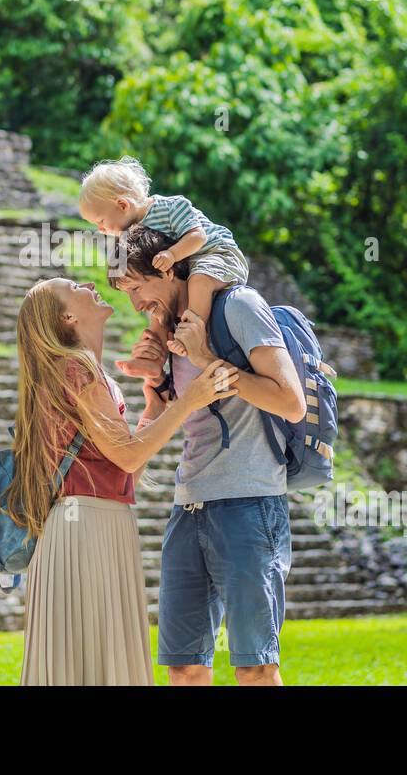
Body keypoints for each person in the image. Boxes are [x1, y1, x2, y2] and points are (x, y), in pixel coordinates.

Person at [12, 276, 238, 685]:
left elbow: (125, 464)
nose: (85, 283)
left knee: (82, 663)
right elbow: (130, 455)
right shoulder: (77, 369)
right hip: (89, 526)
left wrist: (153, 408)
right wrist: (190, 400)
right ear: (67, 316)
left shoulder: (79, 371)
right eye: (72, 286)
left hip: (89, 524)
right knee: (98, 662)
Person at [109, 225, 306, 686]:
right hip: (189, 505)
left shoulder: (238, 306)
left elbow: (290, 402)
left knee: (255, 667)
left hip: (249, 502)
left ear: (170, 268)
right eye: (126, 293)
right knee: (186, 667)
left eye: (138, 287)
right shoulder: (170, 331)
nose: (136, 304)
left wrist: (204, 356)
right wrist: (154, 386)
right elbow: (177, 412)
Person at [78, 156, 249, 369]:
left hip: (217, 252)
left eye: (101, 222)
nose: (101, 230)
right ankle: (152, 360)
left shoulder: (170, 207)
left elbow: (198, 237)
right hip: (189, 262)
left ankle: (194, 336)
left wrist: (172, 254)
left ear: (122, 205)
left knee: (199, 281)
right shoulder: (132, 232)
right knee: (157, 308)